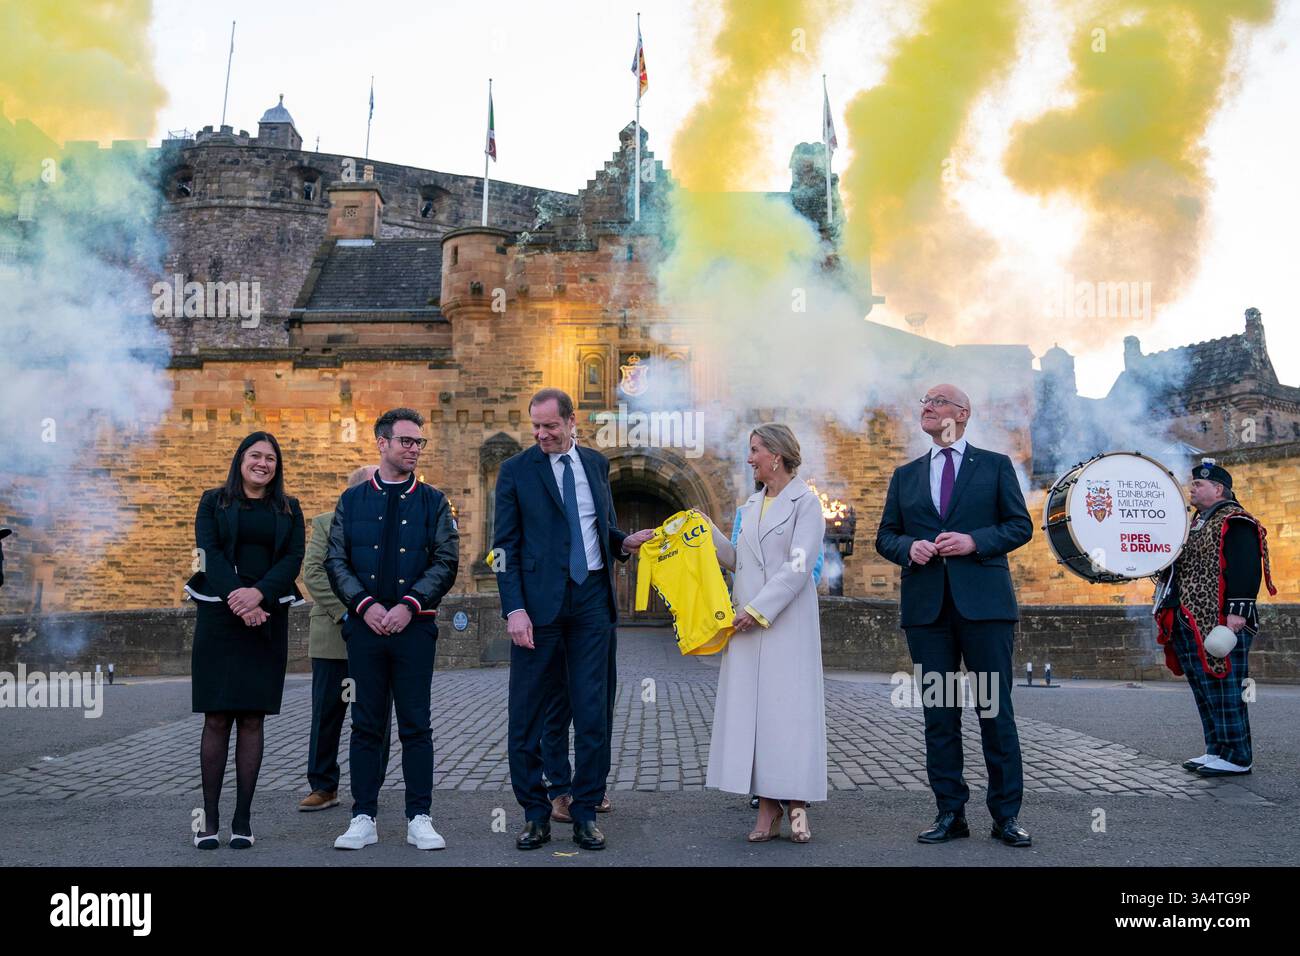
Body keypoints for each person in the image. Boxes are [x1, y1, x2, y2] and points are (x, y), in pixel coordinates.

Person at [492, 387, 653, 851]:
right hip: (537, 611)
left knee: (593, 712)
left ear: (571, 421)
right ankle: (535, 814)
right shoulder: (515, 471)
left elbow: (595, 526)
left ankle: (584, 812)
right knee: (526, 715)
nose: (542, 434)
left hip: (591, 605)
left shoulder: (597, 466)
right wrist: (514, 607)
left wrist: (623, 541)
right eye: (536, 427)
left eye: (550, 426)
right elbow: (504, 548)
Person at [875, 384, 1034, 847]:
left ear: (962, 413)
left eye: (937, 401)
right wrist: (910, 547)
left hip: (984, 609)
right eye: (923, 402)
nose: (926, 406)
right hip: (928, 614)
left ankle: (1006, 816)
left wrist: (974, 541)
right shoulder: (905, 475)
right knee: (939, 716)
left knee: (994, 711)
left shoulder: (995, 465)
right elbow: (885, 536)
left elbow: (1019, 526)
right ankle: (950, 814)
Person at [325, 408, 460, 851]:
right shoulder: (352, 500)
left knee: (416, 725)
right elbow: (336, 561)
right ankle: (363, 816)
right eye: (406, 441)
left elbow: (445, 561)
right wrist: (364, 606)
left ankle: (420, 816)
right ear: (381, 443)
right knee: (366, 725)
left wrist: (409, 604)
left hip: (415, 629)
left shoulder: (435, 501)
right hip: (364, 630)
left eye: (419, 442)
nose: (414, 449)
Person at [702, 424, 827, 843]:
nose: (750, 457)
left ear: (776, 454)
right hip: (747, 623)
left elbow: (798, 566)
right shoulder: (751, 505)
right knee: (757, 716)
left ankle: (796, 806)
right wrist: (706, 530)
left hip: (786, 622)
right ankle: (767, 806)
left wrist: (759, 611)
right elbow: (740, 559)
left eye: (755, 450)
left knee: (789, 713)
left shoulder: (806, 503)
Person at [186, 432, 306, 849]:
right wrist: (240, 598)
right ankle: (210, 820)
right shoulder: (213, 500)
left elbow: (293, 558)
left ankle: (243, 819)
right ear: (240, 460)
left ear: (278, 466)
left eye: (271, 458)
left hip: (268, 613)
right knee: (216, 718)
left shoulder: (290, 508)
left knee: (252, 719)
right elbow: (209, 553)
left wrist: (259, 595)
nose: (263, 463)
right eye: (255, 456)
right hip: (220, 614)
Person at [1155, 459, 1277, 777]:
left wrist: (1236, 615)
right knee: (1204, 687)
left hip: (1222, 621)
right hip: (1191, 618)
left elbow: (1246, 567)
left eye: (1198, 484)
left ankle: (1237, 755)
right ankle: (1217, 750)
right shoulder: (1196, 523)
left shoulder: (1236, 520)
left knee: (1225, 687)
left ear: (1218, 489)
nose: (1192, 488)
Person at [299, 465, 391, 811]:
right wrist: (351, 612)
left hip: (380, 637)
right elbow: (313, 574)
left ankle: (370, 787)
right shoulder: (326, 522)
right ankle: (323, 785)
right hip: (335, 638)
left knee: (375, 718)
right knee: (327, 715)